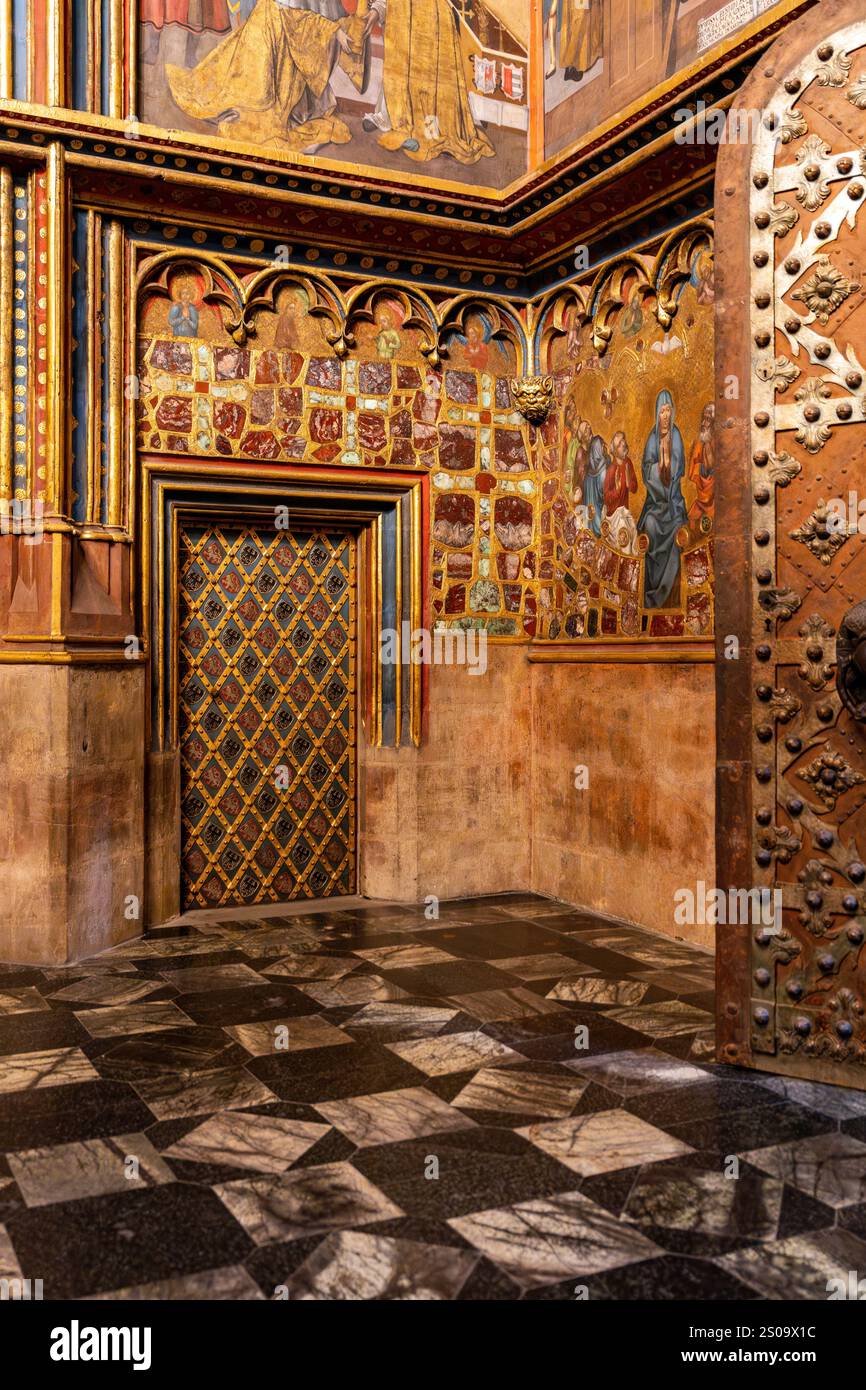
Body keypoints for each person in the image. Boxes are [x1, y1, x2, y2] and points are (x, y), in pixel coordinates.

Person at [166, 0, 364, 154]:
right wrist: (334, 31)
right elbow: (293, 17)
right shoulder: (280, 12)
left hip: (282, 31)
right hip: (270, 38)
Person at [360, 0, 494, 164]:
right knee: (397, 67)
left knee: (432, 76)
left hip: (435, 19)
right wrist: (376, 11)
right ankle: (388, 118)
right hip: (401, 18)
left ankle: (431, 128)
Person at [637, 389, 687, 607]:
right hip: (656, 505)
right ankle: (650, 594)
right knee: (648, 523)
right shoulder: (652, 437)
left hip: (673, 504)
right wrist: (659, 468)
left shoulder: (675, 435)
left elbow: (678, 468)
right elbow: (646, 469)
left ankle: (669, 594)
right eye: (662, 411)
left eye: (668, 410)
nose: (665, 415)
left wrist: (668, 464)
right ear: (657, 414)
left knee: (678, 527)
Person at [687, 402, 715, 530]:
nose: (704, 423)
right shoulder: (700, 442)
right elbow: (692, 472)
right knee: (692, 520)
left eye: (708, 419)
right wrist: (702, 470)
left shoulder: (721, 442)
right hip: (702, 498)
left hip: (716, 497)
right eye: (703, 418)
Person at [582, 431, 610, 536]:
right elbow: (604, 491)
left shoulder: (588, 473)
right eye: (602, 446)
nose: (603, 448)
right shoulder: (602, 470)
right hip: (599, 518)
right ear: (598, 449)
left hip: (589, 520)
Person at [604, 430, 637, 514]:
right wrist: (617, 490)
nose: (623, 444)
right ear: (615, 452)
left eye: (623, 440)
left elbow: (634, 488)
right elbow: (606, 498)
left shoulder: (627, 463)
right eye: (619, 444)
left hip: (624, 512)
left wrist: (629, 483)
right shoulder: (611, 469)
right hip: (613, 514)